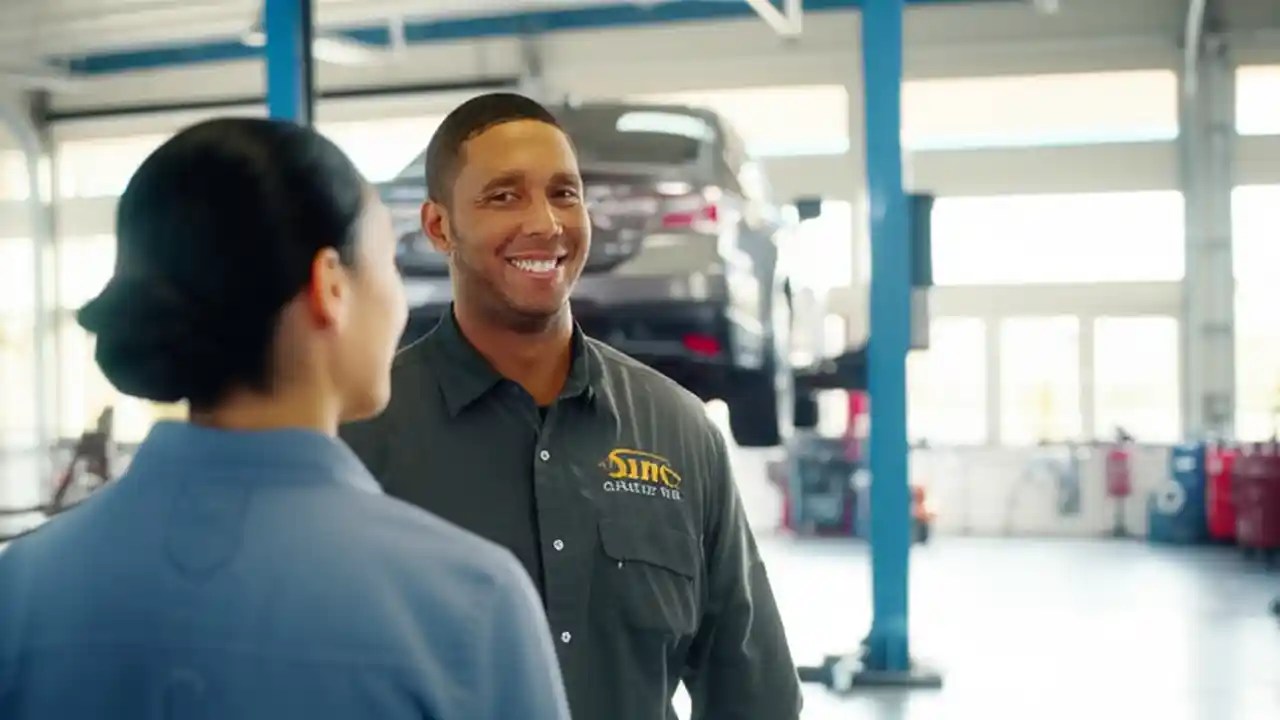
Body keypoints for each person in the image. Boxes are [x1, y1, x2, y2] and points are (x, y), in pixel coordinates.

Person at [0, 117, 571, 720]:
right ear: (330, 286)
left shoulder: (26, 586)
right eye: (387, 262)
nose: (398, 300)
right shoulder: (465, 601)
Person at [340, 92, 803, 719]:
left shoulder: (679, 431)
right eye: (504, 196)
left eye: (564, 193)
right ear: (439, 225)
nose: (546, 224)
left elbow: (754, 696)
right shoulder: (359, 435)